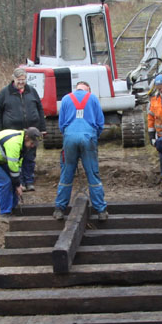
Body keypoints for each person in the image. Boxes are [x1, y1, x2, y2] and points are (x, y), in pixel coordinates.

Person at [52, 81, 108, 221]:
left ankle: (59, 209)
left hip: (69, 138)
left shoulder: (66, 99)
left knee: (66, 174)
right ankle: (101, 211)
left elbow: (61, 124)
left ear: (76, 89)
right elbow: (100, 123)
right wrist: (94, 137)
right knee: (93, 175)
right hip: (88, 137)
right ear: (88, 89)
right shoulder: (93, 98)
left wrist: (69, 136)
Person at [0, 127, 42, 223]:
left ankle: (13, 208)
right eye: (31, 143)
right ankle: (4, 214)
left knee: (13, 180)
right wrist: (17, 185)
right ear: (27, 137)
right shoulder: (14, 143)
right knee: (5, 182)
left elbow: (18, 164)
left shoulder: (22, 143)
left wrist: (18, 183)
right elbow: (13, 166)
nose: (32, 146)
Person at [0, 68, 46, 191]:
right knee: (15, 158)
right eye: (19, 80)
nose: (21, 82)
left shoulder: (31, 91)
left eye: (23, 80)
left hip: (31, 130)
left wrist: (42, 128)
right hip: (13, 131)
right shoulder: (5, 93)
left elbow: (40, 108)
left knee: (30, 157)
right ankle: (20, 182)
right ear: (14, 79)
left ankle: (29, 181)